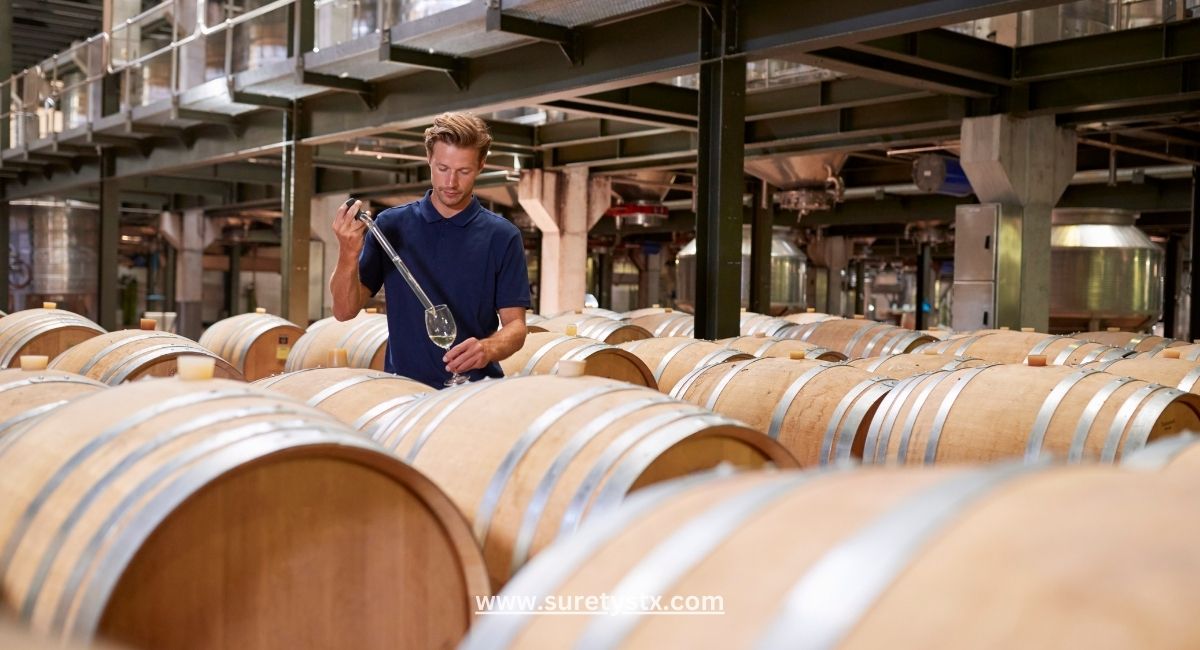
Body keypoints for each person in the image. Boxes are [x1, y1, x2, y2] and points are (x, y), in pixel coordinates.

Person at [330, 112, 530, 388]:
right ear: (428, 160)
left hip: (474, 393)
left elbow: (516, 327)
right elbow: (343, 310)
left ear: (481, 165)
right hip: (404, 392)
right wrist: (347, 253)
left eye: (464, 171)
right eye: (442, 168)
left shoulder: (502, 236)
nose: (450, 183)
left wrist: (487, 349)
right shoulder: (390, 225)